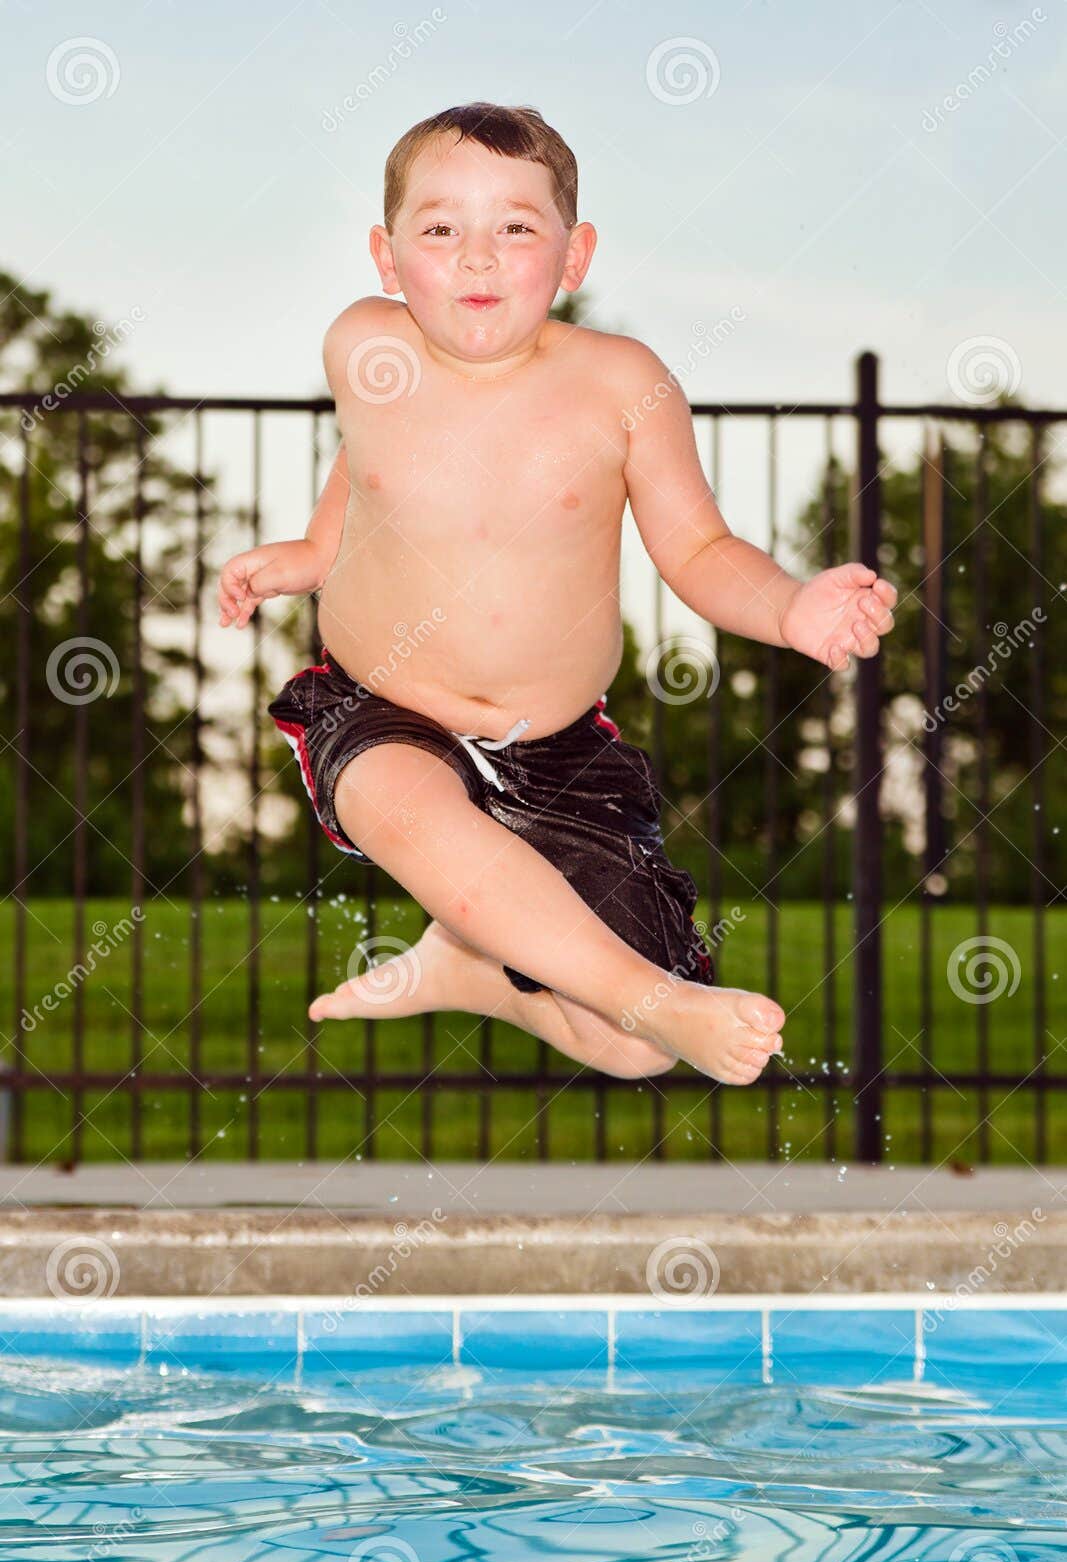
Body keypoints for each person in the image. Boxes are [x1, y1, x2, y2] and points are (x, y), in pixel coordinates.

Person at [217, 102, 895, 1084]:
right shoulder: (367, 347)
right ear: (385, 253)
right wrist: (312, 552)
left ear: (574, 257)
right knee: (405, 806)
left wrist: (788, 607)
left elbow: (699, 547)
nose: (478, 259)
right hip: (385, 702)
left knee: (632, 1054)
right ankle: (645, 995)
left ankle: (479, 967)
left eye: (516, 229)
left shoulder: (623, 385)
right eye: (442, 229)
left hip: (560, 747)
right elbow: (367, 463)